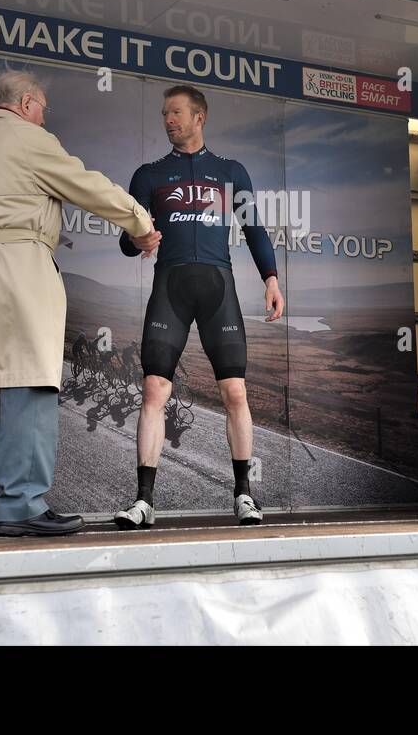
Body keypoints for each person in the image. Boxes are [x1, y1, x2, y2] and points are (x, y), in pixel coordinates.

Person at [0, 70, 161, 538]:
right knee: (30, 385)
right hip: (19, 269)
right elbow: (89, 186)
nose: (45, 117)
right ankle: (21, 504)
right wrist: (140, 223)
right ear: (25, 104)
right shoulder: (29, 140)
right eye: (43, 108)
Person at [113, 84, 284, 529]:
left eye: (176, 112)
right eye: (164, 114)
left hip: (218, 288)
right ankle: (143, 501)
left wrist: (271, 279)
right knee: (154, 391)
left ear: (199, 117)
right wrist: (137, 239)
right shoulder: (147, 176)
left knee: (234, 393)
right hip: (170, 286)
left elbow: (254, 229)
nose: (168, 120)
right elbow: (128, 242)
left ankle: (244, 495)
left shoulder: (231, 171)